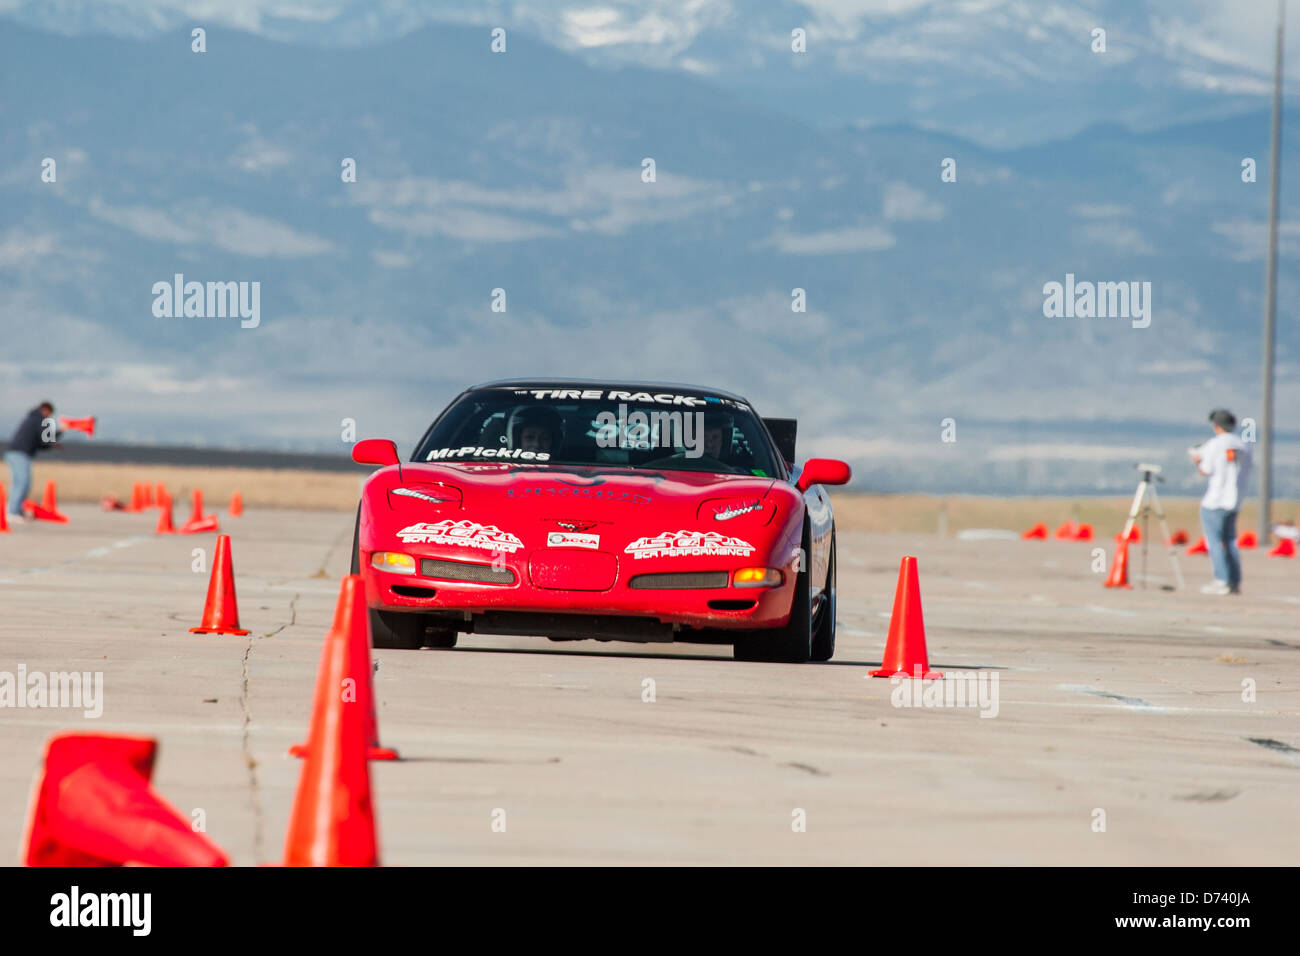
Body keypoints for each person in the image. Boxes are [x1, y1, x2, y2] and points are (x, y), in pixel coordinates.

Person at [1189, 408, 1251, 595]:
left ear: (1217, 426)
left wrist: (1197, 460)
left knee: (1214, 542)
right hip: (1235, 500)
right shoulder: (1244, 445)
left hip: (1215, 500)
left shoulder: (1215, 445)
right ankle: (1234, 580)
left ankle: (1221, 579)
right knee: (1231, 541)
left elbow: (1205, 470)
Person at [6, 401, 60, 521]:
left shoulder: (32, 418)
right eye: (49, 415)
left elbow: (42, 442)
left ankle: (15, 510)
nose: (49, 418)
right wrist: (61, 431)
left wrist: (52, 443)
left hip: (15, 453)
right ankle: (13, 512)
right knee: (23, 483)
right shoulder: (39, 419)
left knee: (18, 483)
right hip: (20, 453)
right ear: (45, 410)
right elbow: (45, 440)